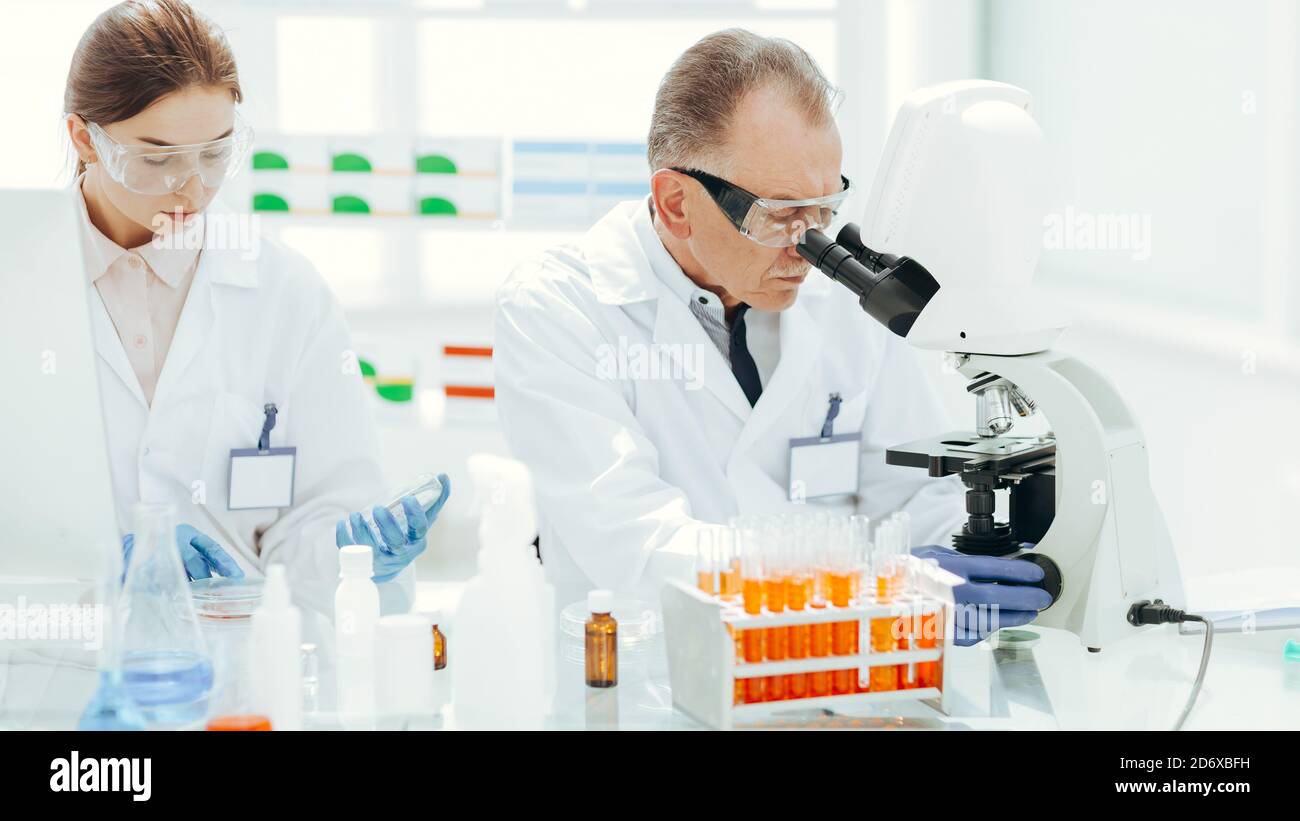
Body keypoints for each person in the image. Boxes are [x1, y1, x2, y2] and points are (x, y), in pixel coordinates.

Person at [494, 29, 1051, 642]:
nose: (810, 246)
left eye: (824, 207)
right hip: (645, 675)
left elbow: (919, 500)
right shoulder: (558, 309)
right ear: (677, 203)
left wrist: (966, 568)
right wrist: (872, 587)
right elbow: (639, 547)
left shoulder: (842, 304)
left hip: (829, 672)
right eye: (779, 214)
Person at [63, 0, 448, 613]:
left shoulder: (285, 294)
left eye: (213, 154)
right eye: (158, 159)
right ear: (84, 138)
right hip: (46, 679)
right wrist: (92, 566)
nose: (192, 188)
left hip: (232, 674)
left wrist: (348, 553)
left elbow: (309, 526)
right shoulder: (20, 278)